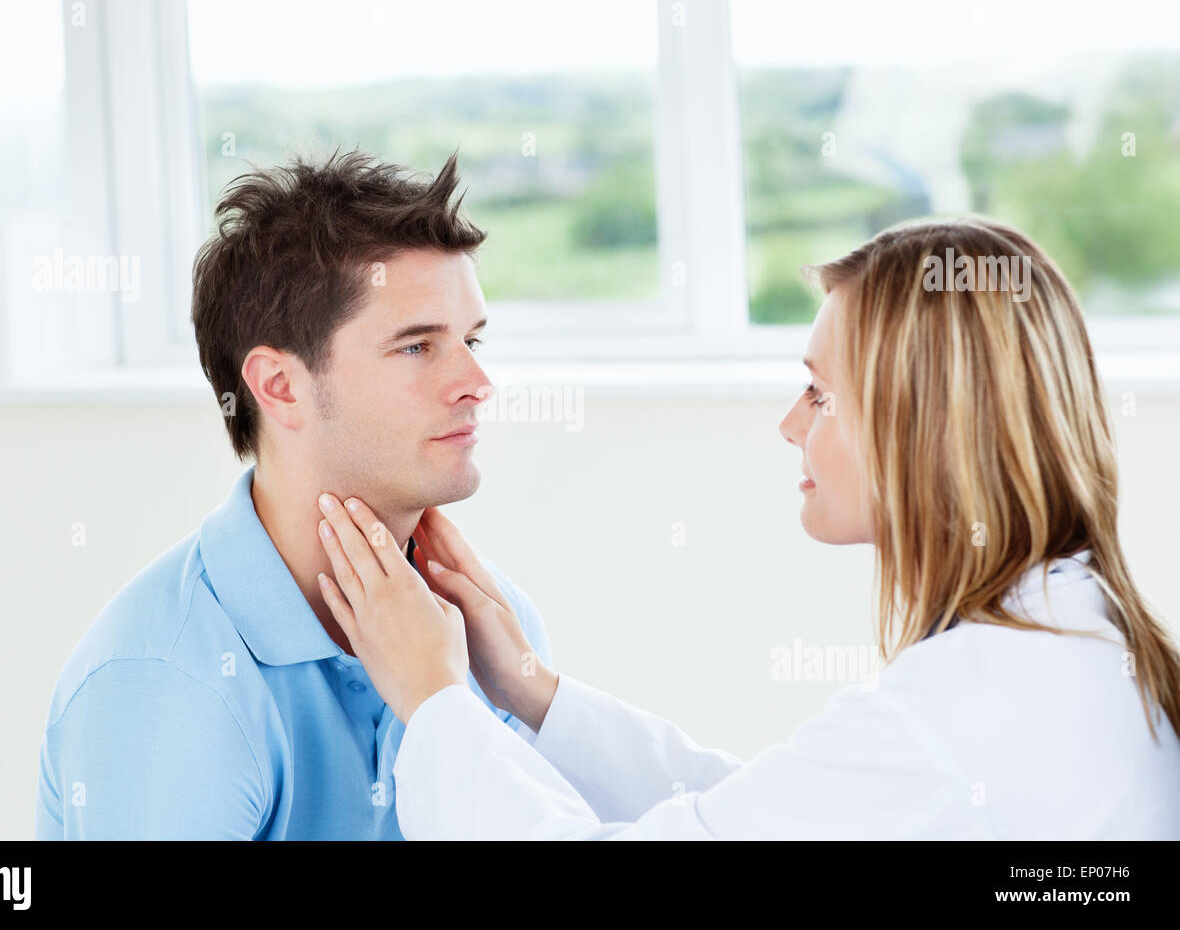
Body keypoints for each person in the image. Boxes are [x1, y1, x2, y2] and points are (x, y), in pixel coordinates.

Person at [316, 216, 1180, 839]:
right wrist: (533, 692)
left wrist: (434, 700)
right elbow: (756, 811)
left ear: (919, 428)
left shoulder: (970, 711)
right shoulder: (1067, 642)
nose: (791, 425)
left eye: (820, 393)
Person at [33, 150, 553, 839]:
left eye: (471, 339)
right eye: (416, 347)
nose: (476, 382)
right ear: (280, 386)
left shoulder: (492, 633)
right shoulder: (166, 682)